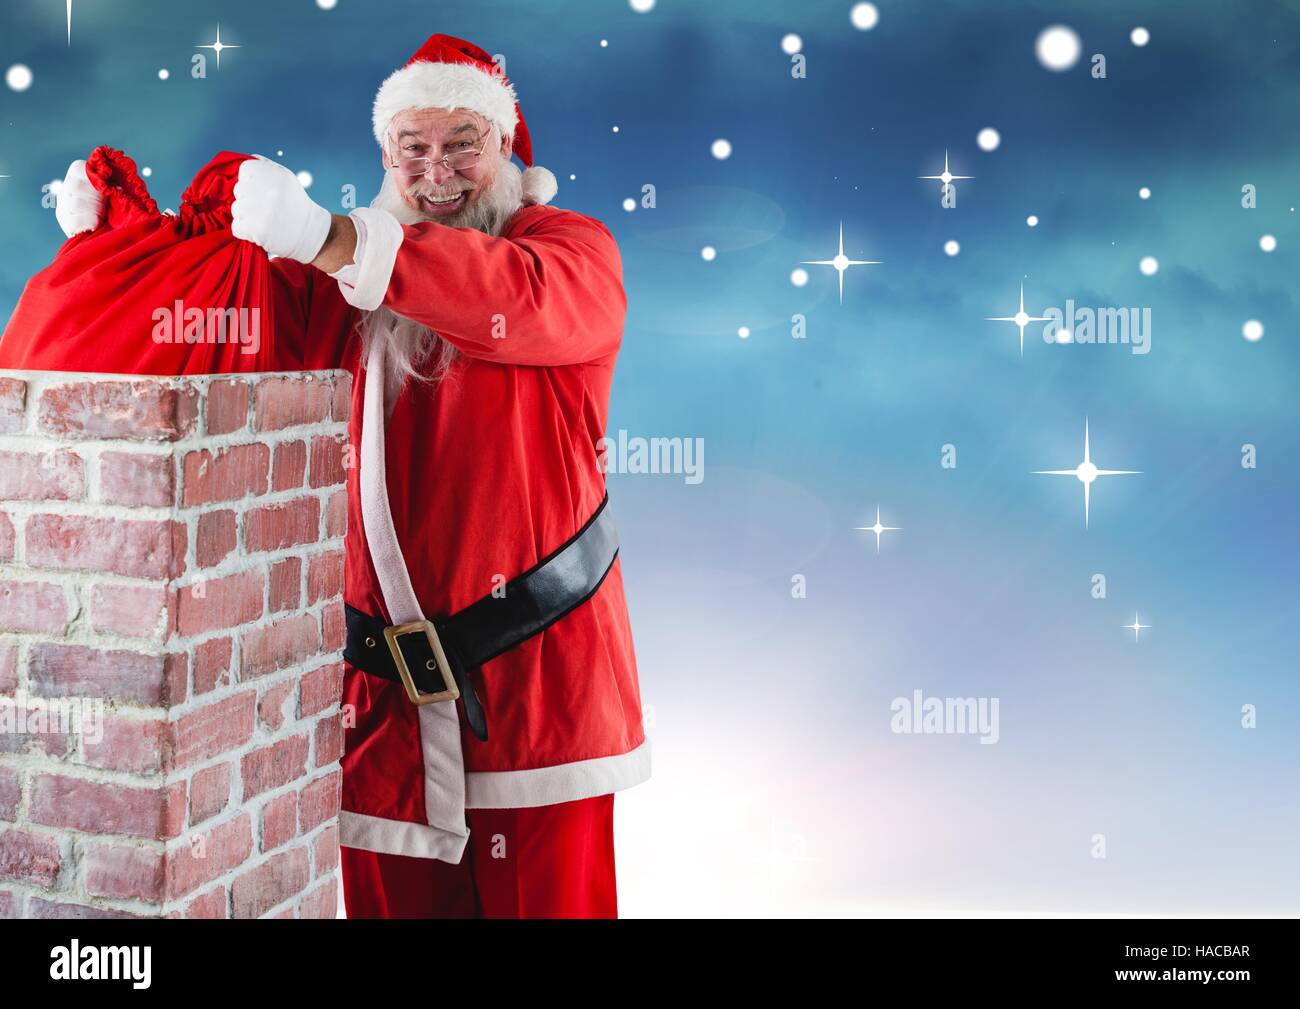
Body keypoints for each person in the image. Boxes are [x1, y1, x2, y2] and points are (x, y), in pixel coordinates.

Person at [54, 33, 651, 918]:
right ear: (386, 157)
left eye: (461, 142)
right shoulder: (343, 283)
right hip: (378, 717)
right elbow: (226, 313)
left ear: (507, 151)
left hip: (537, 693)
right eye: (413, 147)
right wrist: (121, 253)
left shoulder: (566, 252)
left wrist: (332, 236)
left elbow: (511, 295)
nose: (435, 170)